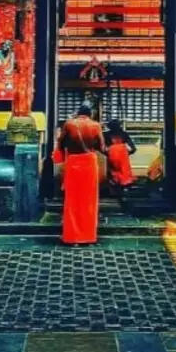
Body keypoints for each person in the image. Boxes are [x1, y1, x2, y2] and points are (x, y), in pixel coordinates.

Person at [59, 101, 105, 247]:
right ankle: (88, 237)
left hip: (73, 162)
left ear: (78, 112)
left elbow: (61, 144)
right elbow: (102, 147)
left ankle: (73, 238)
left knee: (72, 200)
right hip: (89, 164)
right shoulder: (96, 125)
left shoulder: (69, 124)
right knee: (89, 201)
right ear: (90, 114)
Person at [106, 118, 136, 196]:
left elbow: (101, 147)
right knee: (123, 172)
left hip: (112, 154)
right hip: (122, 156)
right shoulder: (124, 134)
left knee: (113, 172)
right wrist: (126, 152)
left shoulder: (106, 135)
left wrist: (108, 151)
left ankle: (113, 189)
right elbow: (132, 148)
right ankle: (123, 188)